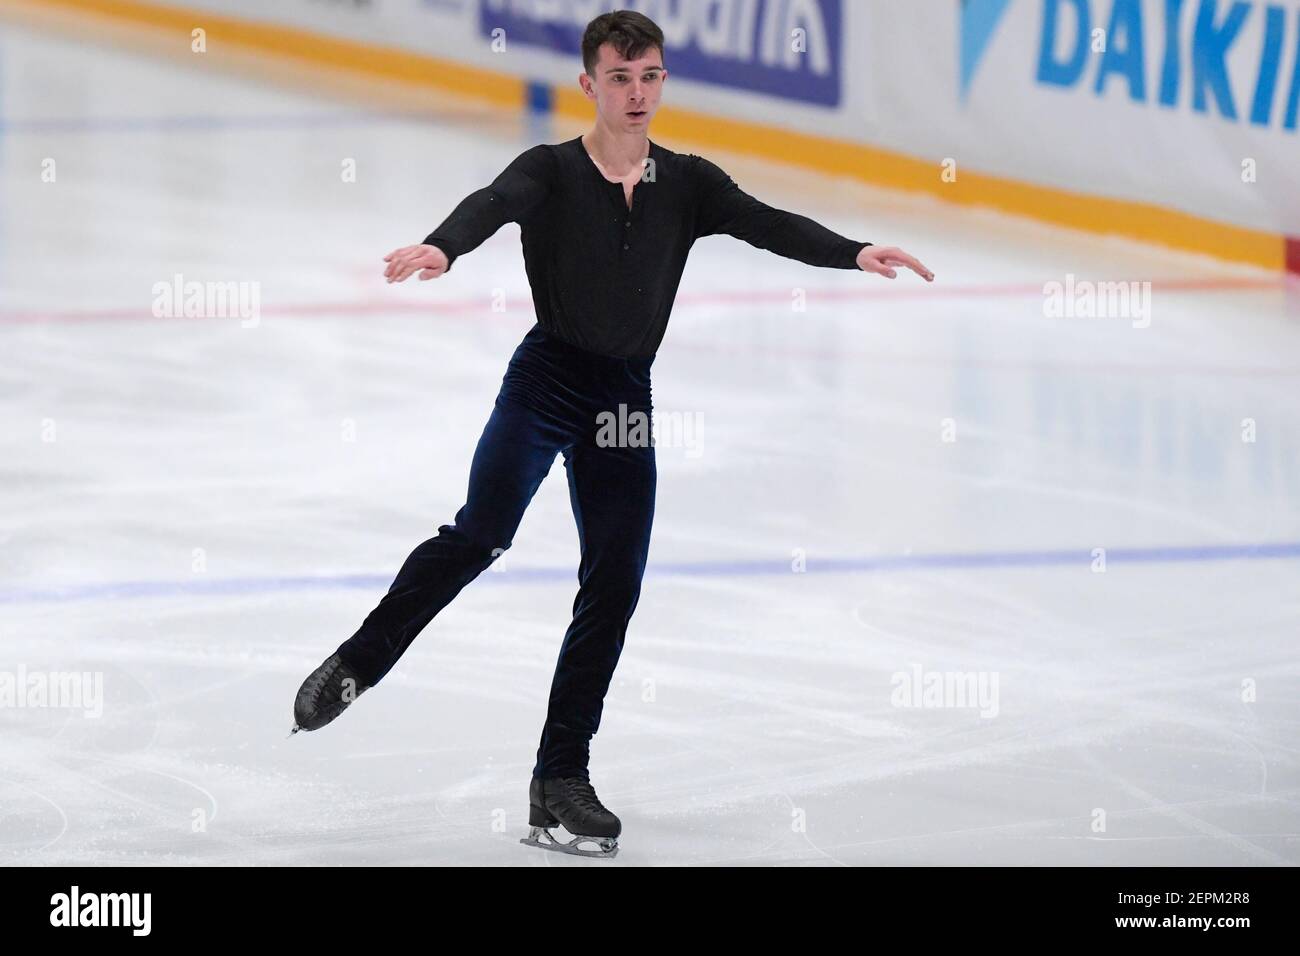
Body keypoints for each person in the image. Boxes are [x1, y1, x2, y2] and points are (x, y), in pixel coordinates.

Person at [291, 9, 933, 858]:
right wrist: (445, 248)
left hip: (623, 401)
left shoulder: (690, 183)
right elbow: (492, 204)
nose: (637, 94)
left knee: (616, 580)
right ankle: (358, 662)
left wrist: (854, 252)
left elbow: (771, 223)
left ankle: (561, 780)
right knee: (481, 535)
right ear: (589, 85)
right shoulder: (551, 171)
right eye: (621, 79)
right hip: (547, 382)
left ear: (663, 82)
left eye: (651, 77)